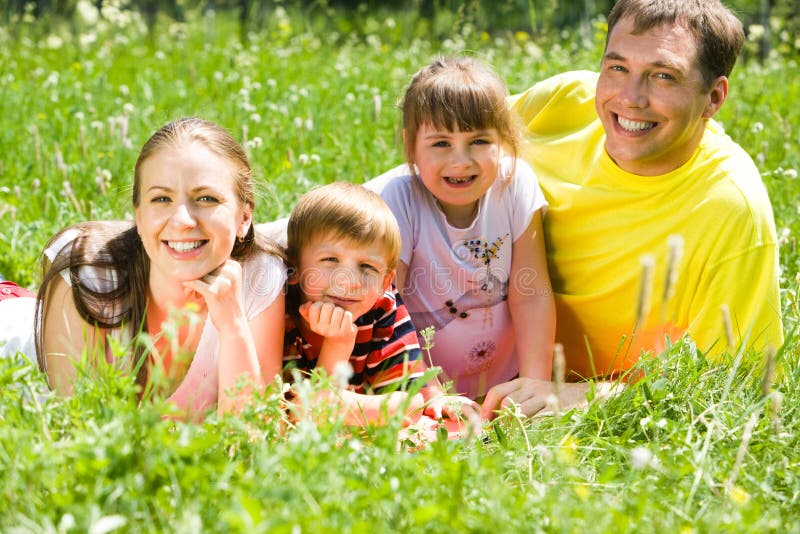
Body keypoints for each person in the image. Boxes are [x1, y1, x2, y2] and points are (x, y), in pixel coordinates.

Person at [481, 0, 784, 417]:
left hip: (547, 401)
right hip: (445, 350)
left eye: (663, 76)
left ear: (713, 98)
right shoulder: (563, 103)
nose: (630, 98)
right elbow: (433, 161)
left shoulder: (731, 207)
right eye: (617, 68)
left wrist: (586, 396)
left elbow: (737, 387)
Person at [30, 118, 287, 420]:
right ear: (138, 216)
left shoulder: (259, 279)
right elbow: (76, 436)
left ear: (244, 217)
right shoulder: (87, 276)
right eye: (161, 198)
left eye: (206, 198)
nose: (182, 220)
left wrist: (233, 328)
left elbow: (253, 438)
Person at [364, 56, 556, 406]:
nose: (461, 161)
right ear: (411, 146)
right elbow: (388, 308)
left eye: (479, 141)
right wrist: (427, 394)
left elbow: (531, 293)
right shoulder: (397, 199)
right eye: (441, 144)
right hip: (416, 384)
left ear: (503, 139)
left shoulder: (514, 184)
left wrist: (534, 382)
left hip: (501, 377)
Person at [283, 181, 477, 427]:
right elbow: (302, 415)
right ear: (294, 267)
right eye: (330, 259)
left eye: (367, 267)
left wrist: (432, 398)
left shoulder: (382, 307)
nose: (349, 281)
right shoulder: (281, 317)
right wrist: (338, 344)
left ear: (386, 281)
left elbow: (409, 391)